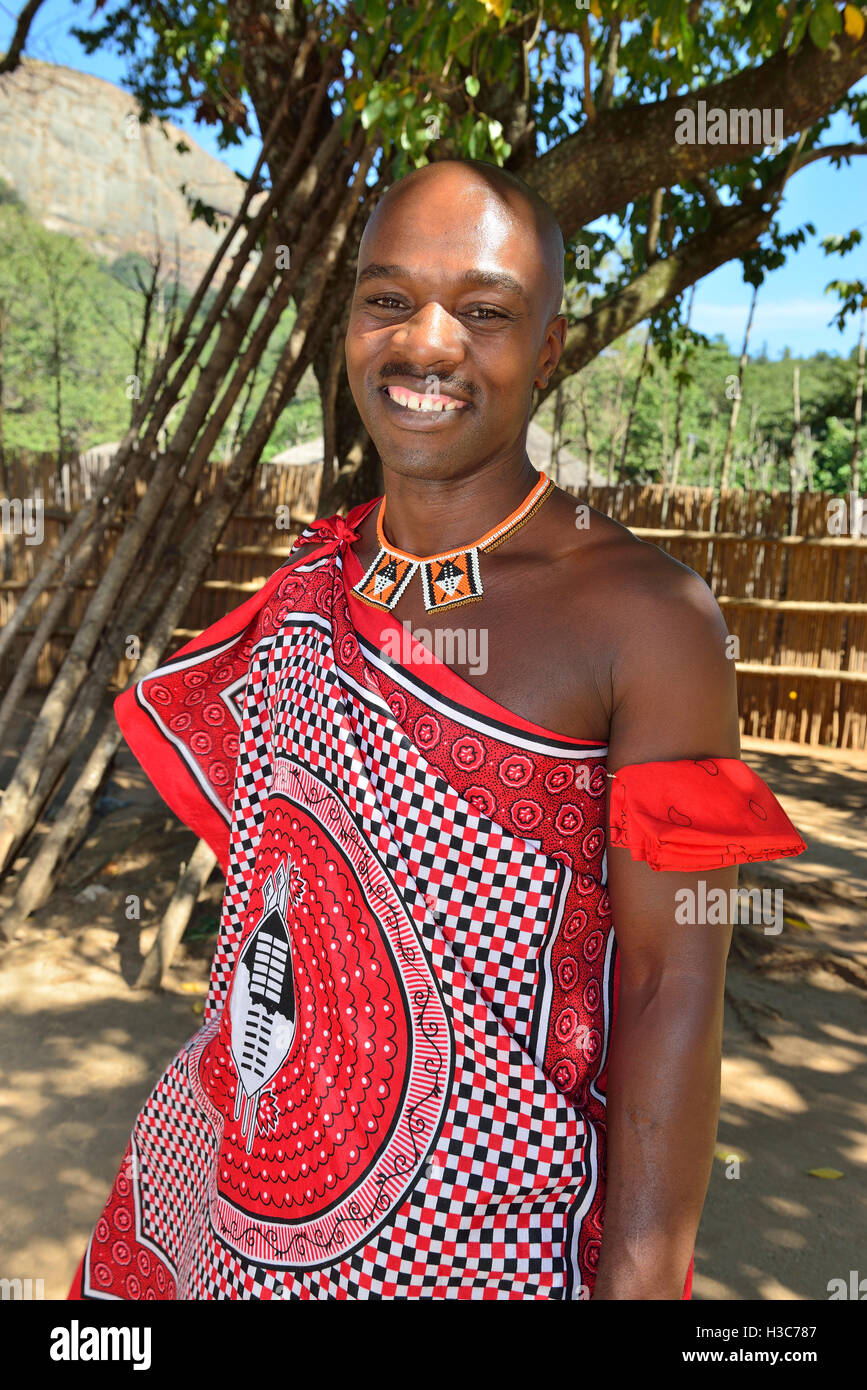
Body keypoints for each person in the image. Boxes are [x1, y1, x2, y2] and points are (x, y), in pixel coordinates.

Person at [68, 158, 804, 1301]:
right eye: (388, 298)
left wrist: (645, 1277)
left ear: (549, 350)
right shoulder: (310, 586)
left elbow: (670, 982)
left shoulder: (648, 621)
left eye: (484, 311)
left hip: (488, 1247)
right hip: (232, 1197)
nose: (426, 343)